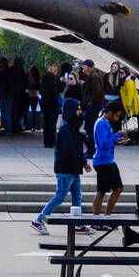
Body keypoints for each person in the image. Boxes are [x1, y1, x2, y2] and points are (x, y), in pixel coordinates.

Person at [31, 97, 92, 235]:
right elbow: (69, 149)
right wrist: (83, 162)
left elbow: (78, 145)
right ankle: (38, 220)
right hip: (66, 169)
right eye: (77, 109)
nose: (80, 111)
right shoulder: (66, 129)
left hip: (73, 169)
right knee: (60, 196)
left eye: (80, 109)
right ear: (70, 110)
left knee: (77, 196)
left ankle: (77, 223)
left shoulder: (73, 127)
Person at [91, 99, 128, 215]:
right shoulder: (101, 123)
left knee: (118, 188)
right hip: (103, 162)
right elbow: (103, 143)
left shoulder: (105, 123)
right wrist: (117, 135)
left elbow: (107, 141)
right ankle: (96, 220)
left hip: (108, 160)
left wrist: (116, 140)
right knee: (101, 192)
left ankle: (107, 217)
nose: (116, 119)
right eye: (116, 116)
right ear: (110, 113)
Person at [81, 68, 105, 149]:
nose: (82, 69)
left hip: (93, 106)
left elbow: (96, 91)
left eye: (84, 67)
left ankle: (92, 150)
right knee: (91, 128)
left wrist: (90, 101)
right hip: (93, 105)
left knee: (91, 128)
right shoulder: (94, 76)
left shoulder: (94, 77)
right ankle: (91, 149)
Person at [119, 68, 139, 146]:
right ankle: (135, 140)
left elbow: (130, 94)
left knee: (131, 122)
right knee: (134, 122)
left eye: (122, 73)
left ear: (126, 73)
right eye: (120, 73)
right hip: (132, 104)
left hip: (132, 104)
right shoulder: (126, 81)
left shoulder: (128, 82)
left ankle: (132, 139)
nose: (120, 74)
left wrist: (128, 106)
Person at [40, 64, 59, 147]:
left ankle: (46, 141)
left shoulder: (44, 78)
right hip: (53, 102)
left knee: (46, 122)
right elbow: (58, 90)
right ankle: (51, 141)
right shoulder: (55, 79)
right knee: (52, 123)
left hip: (44, 102)